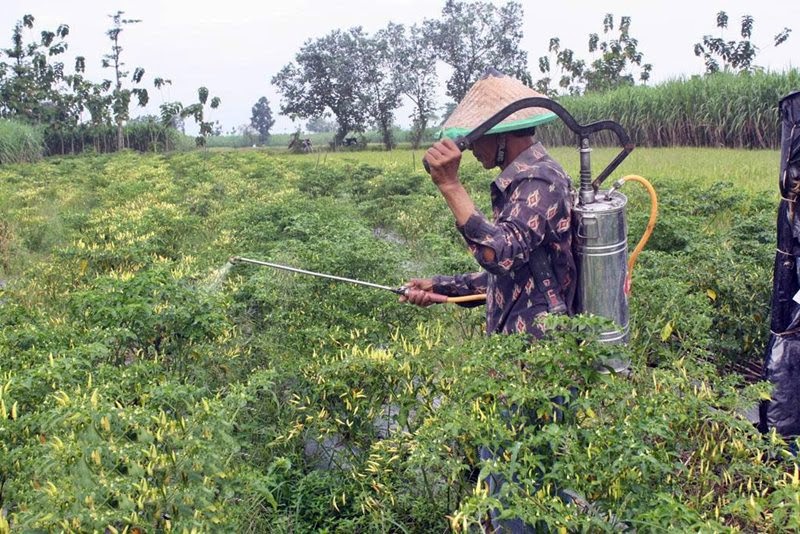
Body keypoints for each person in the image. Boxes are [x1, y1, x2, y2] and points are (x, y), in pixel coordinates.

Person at [401, 69, 576, 339]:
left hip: (540, 354)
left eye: (475, 138)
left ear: (502, 134)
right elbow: (517, 274)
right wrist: (439, 286)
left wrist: (450, 185)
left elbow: (500, 257)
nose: (470, 148)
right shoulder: (522, 179)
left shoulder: (541, 180)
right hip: (519, 345)